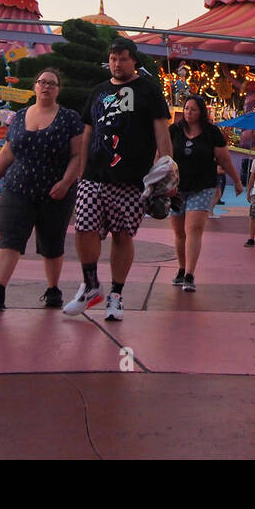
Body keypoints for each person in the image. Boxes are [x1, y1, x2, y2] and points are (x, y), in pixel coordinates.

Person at [64, 37, 172, 321]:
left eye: (123, 58)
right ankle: (90, 285)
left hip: (131, 177)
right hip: (94, 174)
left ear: (134, 60)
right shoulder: (98, 91)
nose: (117, 63)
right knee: (84, 228)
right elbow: (88, 132)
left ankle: (116, 295)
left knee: (122, 235)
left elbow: (162, 132)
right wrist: (81, 170)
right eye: (113, 58)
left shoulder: (148, 90)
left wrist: (167, 170)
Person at [0, 67, 84, 310]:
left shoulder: (70, 118)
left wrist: (66, 182)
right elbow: (8, 151)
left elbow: (78, 155)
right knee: (10, 237)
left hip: (54, 189)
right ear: (35, 86)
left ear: (58, 90)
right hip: (18, 186)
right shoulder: (21, 115)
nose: (46, 87)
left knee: (51, 241)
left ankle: (53, 289)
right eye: (42, 82)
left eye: (51, 84)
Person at [169, 95, 243, 292]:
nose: (188, 113)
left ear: (201, 112)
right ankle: (181, 268)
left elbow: (225, 159)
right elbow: (162, 156)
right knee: (178, 231)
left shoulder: (212, 133)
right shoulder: (174, 130)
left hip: (202, 186)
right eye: (186, 109)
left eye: (193, 109)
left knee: (193, 229)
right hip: (176, 187)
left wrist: (236, 181)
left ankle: (190, 274)